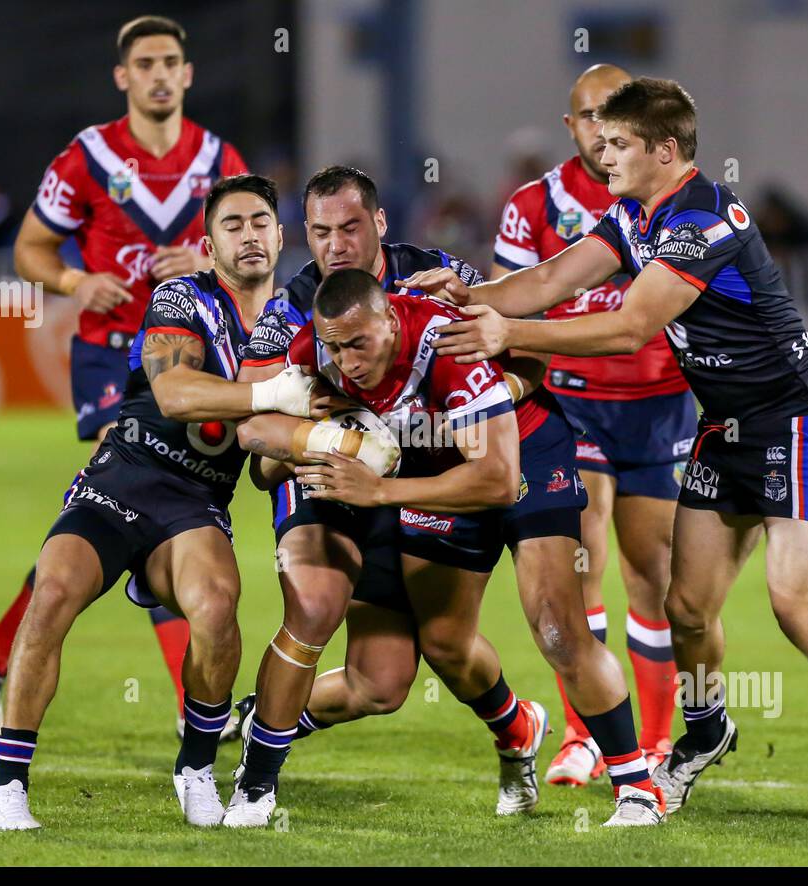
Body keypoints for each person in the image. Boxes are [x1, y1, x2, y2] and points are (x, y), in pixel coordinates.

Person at [401, 76, 808, 829]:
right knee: (686, 608)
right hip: (724, 428)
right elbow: (548, 281)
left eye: (620, 144)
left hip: (795, 423)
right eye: (599, 142)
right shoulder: (633, 215)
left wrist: (511, 335)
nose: (603, 155)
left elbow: (631, 328)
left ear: (664, 150)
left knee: (800, 612)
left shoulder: (699, 220)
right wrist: (468, 295)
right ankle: (705, 733)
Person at [232, 270, 669, 829]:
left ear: (389, 320)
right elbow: (255, 436)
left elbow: (497, 480)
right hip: (438, 474)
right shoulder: (318, 349)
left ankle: (635, 787)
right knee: (443, 641)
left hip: (524, 456)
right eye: (335, 347)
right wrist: (312, 437)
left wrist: (381, 490)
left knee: (557, 626)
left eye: (358, 344)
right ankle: (518, 735)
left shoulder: (441, 345)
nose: (347, 361)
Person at [0, 174, 317, 830]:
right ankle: (8, 789)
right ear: (208, 244)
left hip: (194, 502)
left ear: (281, 237)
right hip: (122, 478)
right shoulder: (181, 296)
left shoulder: (302, 326)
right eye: (232, 226)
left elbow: (267, 461)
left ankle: (195, 766)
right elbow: (174, 394)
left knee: (219, 610)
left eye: (259, 223)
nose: (248, 236)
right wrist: (275, 396)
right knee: (51, 593)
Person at [226, 166, 553, 827]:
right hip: (342, 479)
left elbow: (528, 351)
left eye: (350, 227)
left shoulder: (436, 281)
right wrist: (317, 437)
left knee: (425, 658)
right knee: (314, 608)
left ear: (378, 224)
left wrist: (478, 405)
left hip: (436, 479)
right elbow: (257, 425)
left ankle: (518, 724)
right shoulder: (296, 310)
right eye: (320, 232)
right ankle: (257, 776)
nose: (336, 245)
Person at [0, 15, 249, 744]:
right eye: (143, 63)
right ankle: (191, 705)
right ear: (123, 76)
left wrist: (210, 265)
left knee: (122, 514)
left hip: (191, 357)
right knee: (143, 501)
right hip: (112, 353)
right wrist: (74, 279)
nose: (157, 74)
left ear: (187, 74)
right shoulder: (86, 157)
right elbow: (29, 248)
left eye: (170, 62)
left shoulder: (220, 159)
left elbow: (254, 257)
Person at [493, 63, 693, 785]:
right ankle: (586, 736)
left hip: (660, 402)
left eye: (615, 115)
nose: (602, 130)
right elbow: (518, 303)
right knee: (585, 555)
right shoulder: (535, 204)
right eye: (588, 117)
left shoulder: (664, 195)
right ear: (570, 125)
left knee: (657, 577)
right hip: (573, 399)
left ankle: (663, 738)